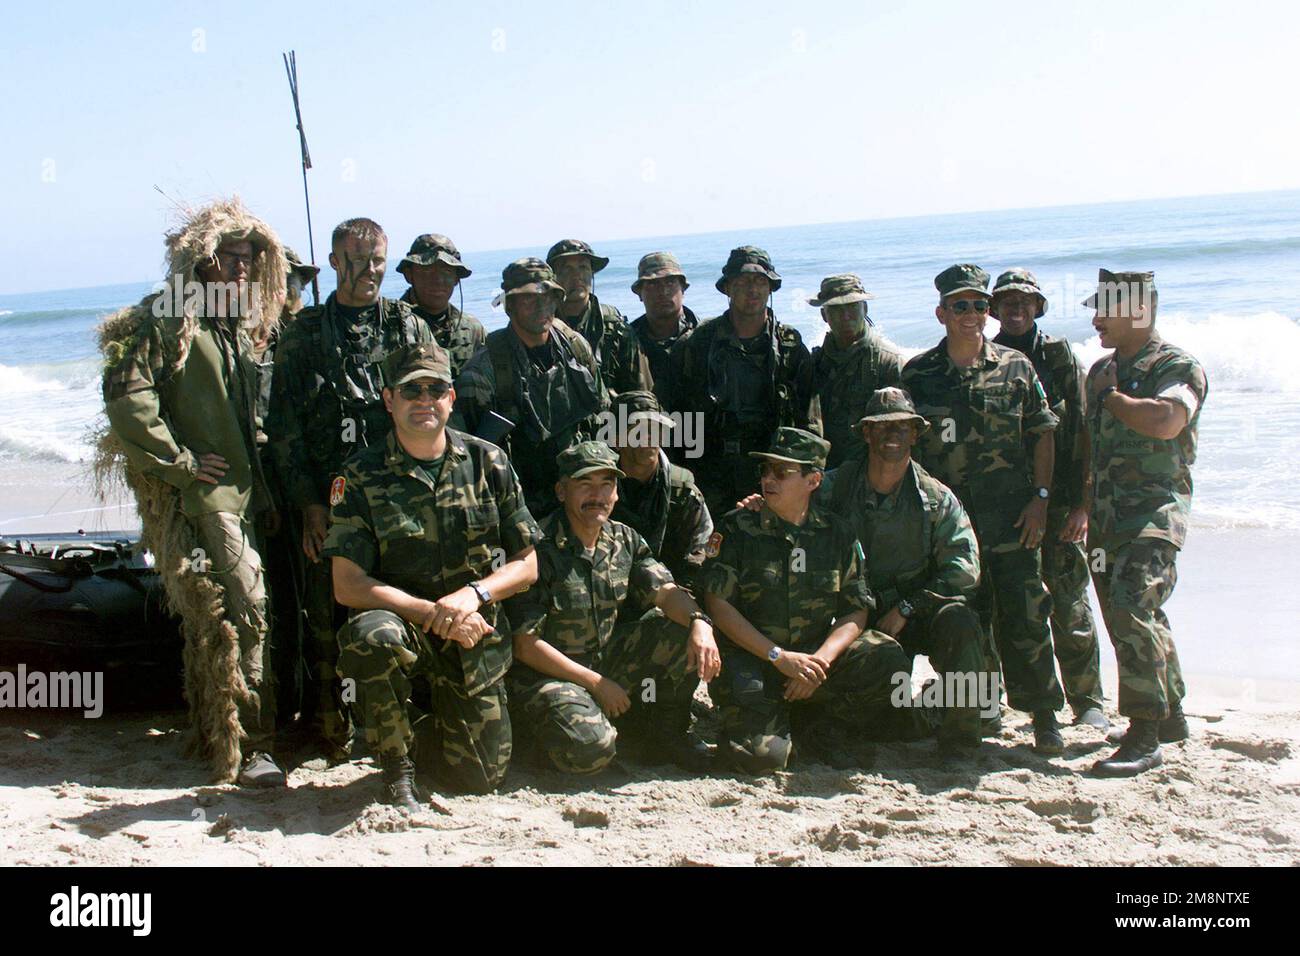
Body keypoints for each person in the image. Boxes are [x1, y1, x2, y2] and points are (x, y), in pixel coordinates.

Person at [97, 197, 287, 785]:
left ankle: (233, 734)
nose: (239, 269)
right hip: (210, 498)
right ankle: (252, 746)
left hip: (252, 493)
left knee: (253, 610)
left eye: (248, 259)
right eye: (228, 257)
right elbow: (128, 395)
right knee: (244, 612)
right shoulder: (168, 315)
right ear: (200, 258)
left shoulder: (232, 320)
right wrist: (179, 463)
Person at [326, 343, 541, 809]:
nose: (424, 399)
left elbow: (528, 565)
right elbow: (347, 583)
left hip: (473, 637)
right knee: (371, 635)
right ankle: (396, 770)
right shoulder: (360, 476)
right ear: (389, 399)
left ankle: (424, 724)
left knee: (481, 778)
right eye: (410, 390)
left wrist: (474, 594)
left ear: (451, 398)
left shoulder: (489, 463)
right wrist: (432, 612)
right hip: (406, 629)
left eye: (436, 388)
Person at [267, 217, 434, 760]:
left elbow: (432, 407)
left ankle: (398, 721)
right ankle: (327, 726)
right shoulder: (306, 333)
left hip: (396, 496)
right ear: (335, 262)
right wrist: (309, 502)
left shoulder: (407, 326)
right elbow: (285, 425)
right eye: (356, 259)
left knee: (397, 604)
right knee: (325, 610)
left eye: (378, 260)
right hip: (328, 499)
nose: (369, 271)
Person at [901, 264, 1067, 754]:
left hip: (1012, 518)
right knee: (965, 616)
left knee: (1025, 613)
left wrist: (1040, 501)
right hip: (951, 525)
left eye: (978, 305)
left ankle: (1043, 716)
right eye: (960, 306)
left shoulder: (1016, 366)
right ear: (941, 313)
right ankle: (974, 713)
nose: (971, 314)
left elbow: (1043, 433)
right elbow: (905, 447)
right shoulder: (918, 374)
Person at [699, 428, 911, 773]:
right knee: (762, 759)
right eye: (766, 470)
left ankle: (818, 723)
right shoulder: (738, 528)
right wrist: (778, 657)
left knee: (885, 657)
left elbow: (855, 608)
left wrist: (819, 662)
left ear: (813, 481)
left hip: (810, 660)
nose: (769, 479)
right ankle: (774, 722)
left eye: (782, 472)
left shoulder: (837, 533)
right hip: (755, 658)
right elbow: (718, 604)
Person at [504, 441, 721, 774]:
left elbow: (664, 590)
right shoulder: (537, 547)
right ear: (562, 491)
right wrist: (596, 683)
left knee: (680, 634)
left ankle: (667, 735)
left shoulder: (625, 540)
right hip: (547, 676)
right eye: (585, 484)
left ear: (617, 493)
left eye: (607, 484)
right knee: (592, 751)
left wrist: (699, 622)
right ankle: (537, 743)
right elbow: (526, 644)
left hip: (605, 660)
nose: (598, 495)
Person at [819, 389, 989, 758]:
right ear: (866, 434)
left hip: (913, 613)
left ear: (915, 434)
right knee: (880, 726)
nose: (892, 434)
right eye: (881, 427)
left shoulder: (936, 498)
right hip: (849, 617)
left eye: (902, 427)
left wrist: (910, 606)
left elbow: (964, 569)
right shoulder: (833, 488)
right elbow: (789, 511)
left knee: (960, 622)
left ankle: (960, 740)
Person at [1083, 269, 1207, 777]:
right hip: (1105, 519)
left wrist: (1115, 399)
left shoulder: (1178, 366)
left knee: (1134, 604)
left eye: (1104, 310)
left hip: (1155, 513)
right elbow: (1089, 449)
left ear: (1138, 310)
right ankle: (1170, 713)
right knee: (1127, 616)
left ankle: (1144, 735)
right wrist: (1079, 507)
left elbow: (1166, 422)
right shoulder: (1099, 372)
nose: (1095, 320)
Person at [991, 268, 1107, 731]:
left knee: (1068, 599)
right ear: (995, 309)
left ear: (1039, 307)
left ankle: (1088, 700)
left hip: (1057, 501)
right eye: (1007, 303)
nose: (1016, 310)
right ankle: (1005, 700)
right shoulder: (987, 356)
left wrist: (1082, 504)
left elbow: (1082, 432)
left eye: (1025, 302)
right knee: (1010, 604)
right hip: (1005, 503)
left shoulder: (1059, 357)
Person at [667, 245, 820, 518]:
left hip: (773, 473)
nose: (752, 289)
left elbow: (809, 421)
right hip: (708, 472)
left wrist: (806, 481)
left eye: (760, 281)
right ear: (728, 288)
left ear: (770, 288)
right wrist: (681, 479)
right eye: (743, 281)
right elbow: (673, 417)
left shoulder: (789, 347)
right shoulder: (697, 344)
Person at [451, 258, 608, 519]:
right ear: (509, 306)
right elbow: (463, 459)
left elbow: (602, 413)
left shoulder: (574, 347)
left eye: (548, 298)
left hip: (579, 494)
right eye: (529, 300)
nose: (541, 307)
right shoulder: (483, 372)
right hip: (518, 503)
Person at [252, 246, 319, 727]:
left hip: (318, 487)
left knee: (322, 600)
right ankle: (282, 705)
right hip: (271, 488)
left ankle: (323, 707)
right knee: (280, 599)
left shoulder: (317, 336)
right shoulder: (252, 343)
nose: (288, 293)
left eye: (296, 284)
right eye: (281, 283)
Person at [607, 391, 713, 592]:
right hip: (610, 597)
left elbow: (700, 553)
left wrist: (681, 597)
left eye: (656, 428)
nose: (649, 437)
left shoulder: (682, 491)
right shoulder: (599, 487)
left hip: (670, 597)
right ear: (616, 437)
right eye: (638, 429)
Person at [798, 274, 904, 469]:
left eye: (852, 307)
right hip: (824, 476)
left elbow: (901, 434)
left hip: (871, 476)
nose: (846, 317)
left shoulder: (888, 362)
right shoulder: (814, 364)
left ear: (865, 308)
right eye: (836, 309)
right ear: (824, 315)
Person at [546, 238, 652, 397]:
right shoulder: (542, 326)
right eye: (566, 269)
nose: (577, 276)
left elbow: (642, 394)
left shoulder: (614, 327)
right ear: (553, 277)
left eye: (583, 267)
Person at [395, 233, 485, 379]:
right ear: (409, 275)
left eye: (447, 271)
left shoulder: (471, 329)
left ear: (456, 278)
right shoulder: (391, 325)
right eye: (427, 271)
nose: (437, 280)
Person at [628, 252, 698, 410]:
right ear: (640, 293)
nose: (663, 292)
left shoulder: (706, 336)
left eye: (670, 282)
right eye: (652, 284)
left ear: (683, 288)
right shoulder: (626, 342)